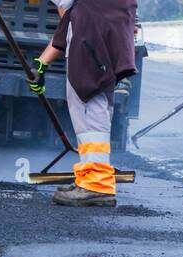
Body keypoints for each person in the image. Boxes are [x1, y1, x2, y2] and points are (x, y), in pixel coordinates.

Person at [31, 0, 137, 208]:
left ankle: (96, 183)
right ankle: (89, 176)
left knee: (90, 106)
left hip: (93, 35)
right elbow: (69, 17)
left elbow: (66, 9)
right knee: (93, 104)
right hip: (102, 29)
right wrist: (42, 63)